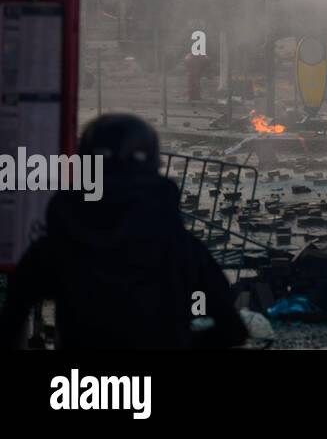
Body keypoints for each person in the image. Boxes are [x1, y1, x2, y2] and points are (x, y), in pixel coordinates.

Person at [0, 113, 248, 350]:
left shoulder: (57, 246)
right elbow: (233, 329)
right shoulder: (180, 246)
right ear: (151, 165)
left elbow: (12, 322)